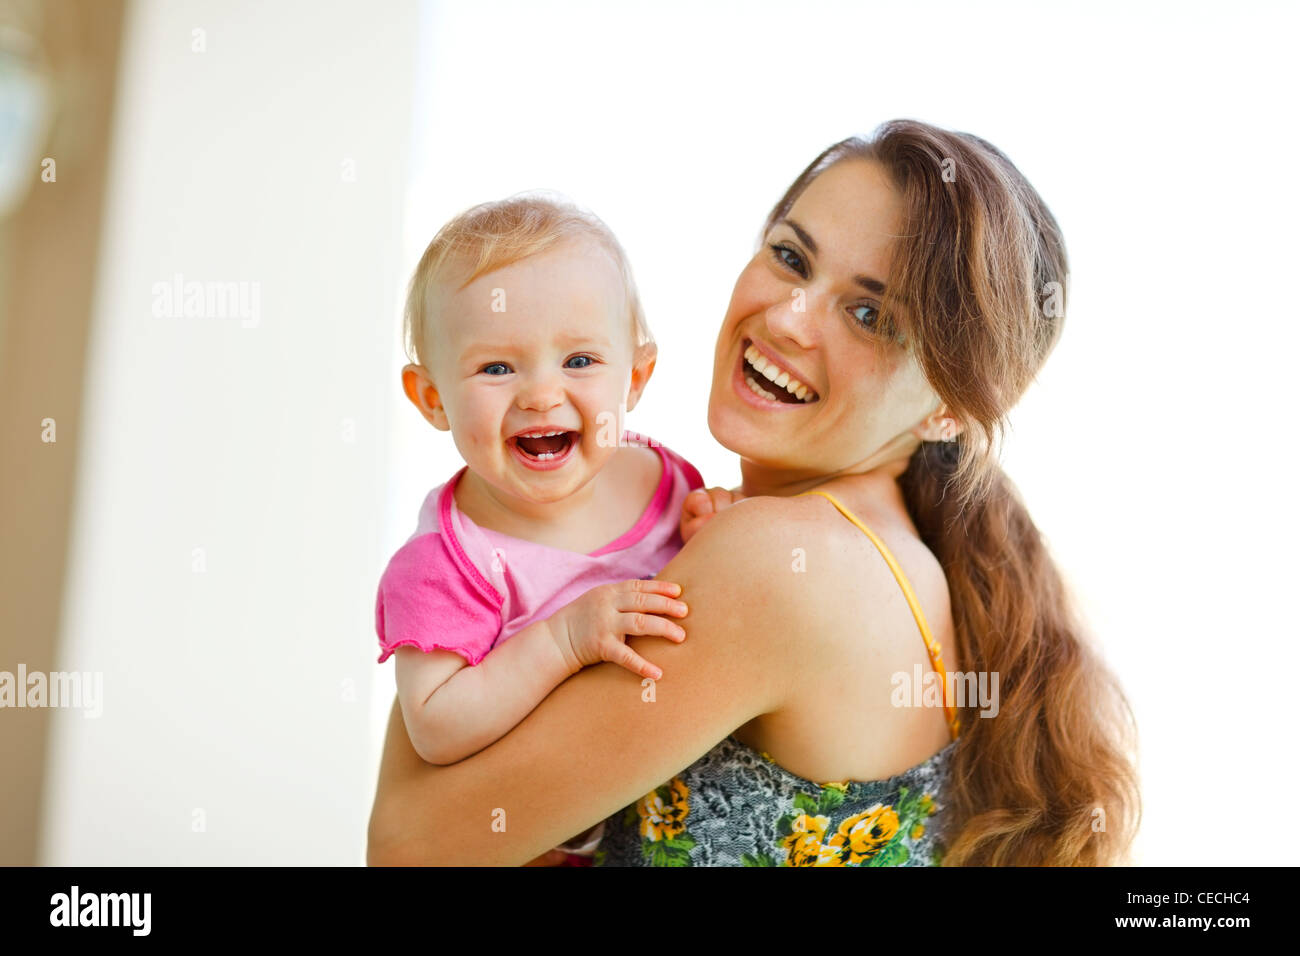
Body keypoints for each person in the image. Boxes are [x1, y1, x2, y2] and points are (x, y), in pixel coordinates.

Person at [367, 119, 1140, 867]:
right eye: (791, 257)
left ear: (949, 408)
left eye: (869, 314)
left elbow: (408, 848)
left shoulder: (779, 560)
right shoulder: (877, 549)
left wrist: (473, 534)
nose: (788, 317)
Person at [375, 194, 704, 864]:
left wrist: (713, 525)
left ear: (636, 376)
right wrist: (562, 639)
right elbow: (435, 725)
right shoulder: (448, 561)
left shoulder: (668, 483)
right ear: (432, 397)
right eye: (497, 368)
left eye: (579, 361)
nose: (541, 395)